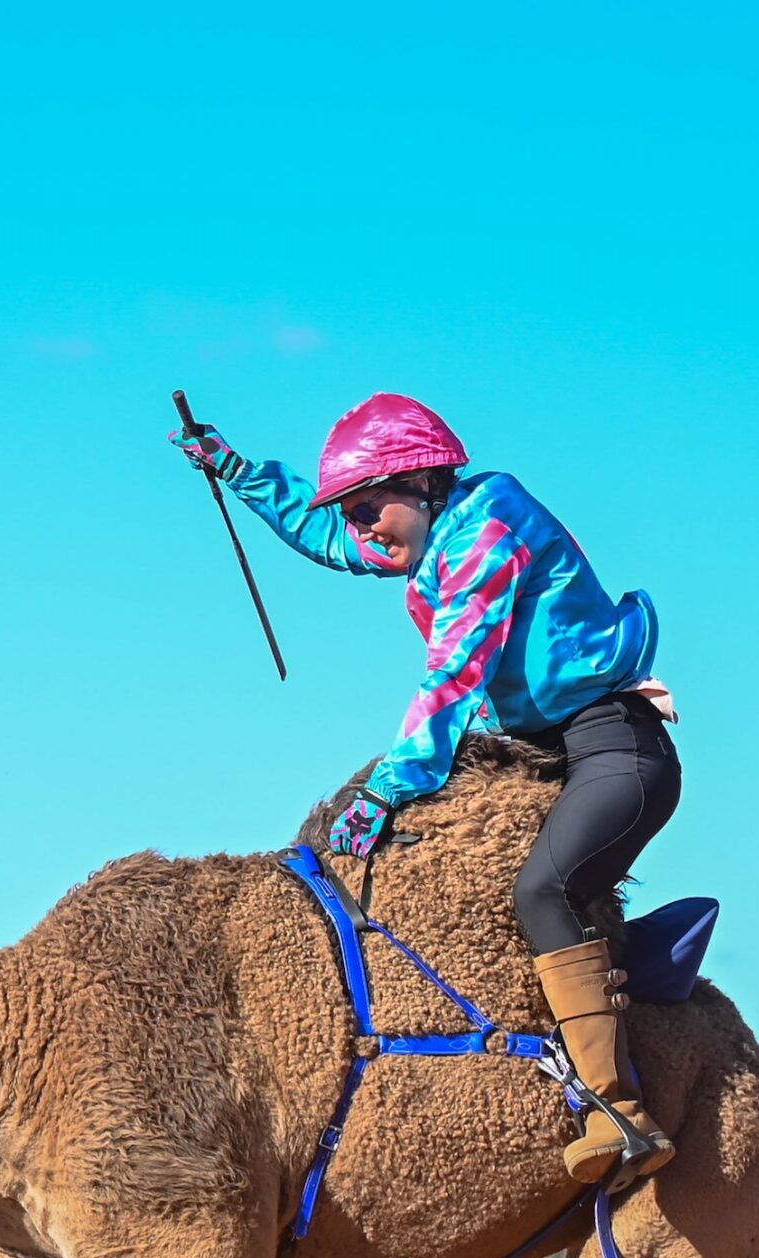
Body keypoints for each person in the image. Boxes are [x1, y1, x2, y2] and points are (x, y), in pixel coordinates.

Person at [174, 392, 680, 1189]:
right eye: (352, 513)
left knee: (543, 891)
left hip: (611, 747)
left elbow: (453, 675)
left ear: (423, 484)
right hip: (537, 754)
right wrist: (239, 472)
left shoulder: (487, 532)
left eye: (368, 509)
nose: (361, 530)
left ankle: (618, 1113)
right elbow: (328, 537)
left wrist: (387, 789)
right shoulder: (426, 529)